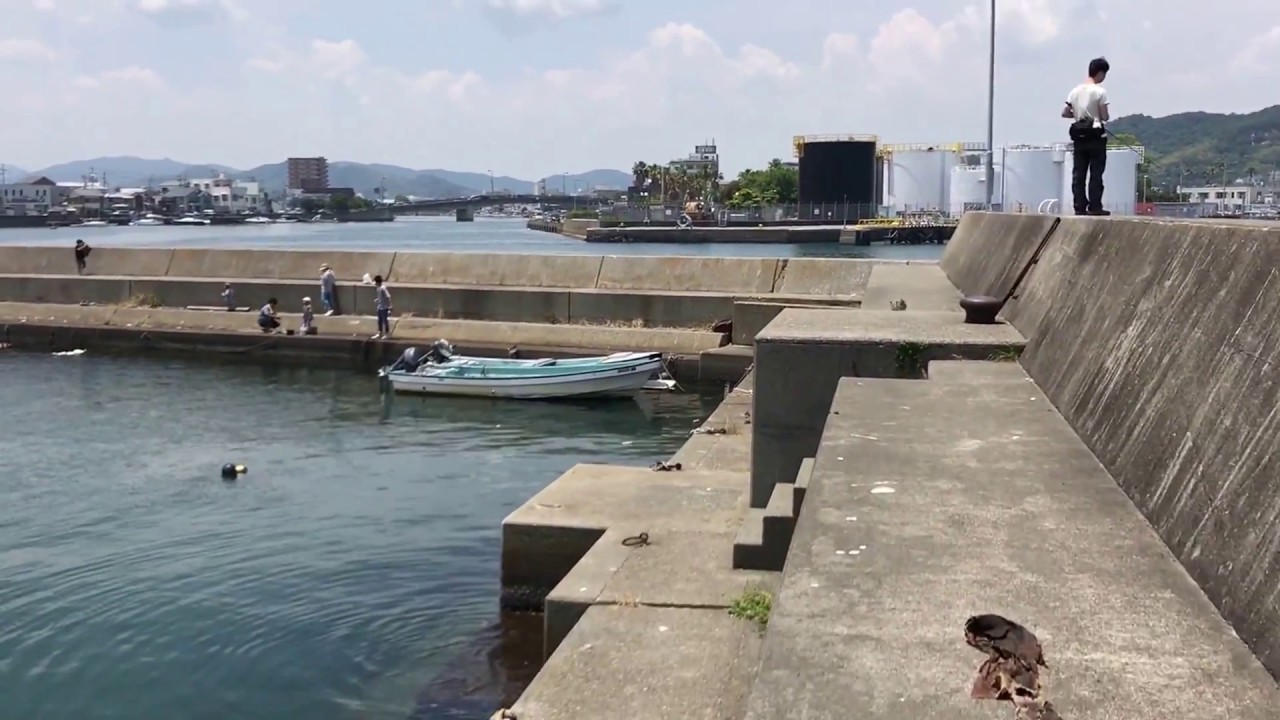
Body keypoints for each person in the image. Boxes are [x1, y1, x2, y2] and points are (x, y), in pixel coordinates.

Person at [1063, 57, 1111, 216]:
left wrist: (1077, 114)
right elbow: (1104, 116)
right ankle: (1095, 206)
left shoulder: (1075, 91)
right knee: (1096, 173)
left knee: (1079, 173)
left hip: (1079, 135)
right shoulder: (1100, 92)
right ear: (1101, 73)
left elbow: (1064, 113)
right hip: (1096, 134)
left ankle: (1079, 206)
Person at [372, 275, 392, 340]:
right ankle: (379, 333)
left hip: (384, 308)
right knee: (379, 321)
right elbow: (381, 297)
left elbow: (388, 297)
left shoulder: (383, 288)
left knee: (384, 321)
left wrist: (390, 306)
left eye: (375, 282)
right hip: (380, 307)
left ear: (377, 282)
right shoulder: (378, 289)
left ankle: (387, 334)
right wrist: (377, 300)